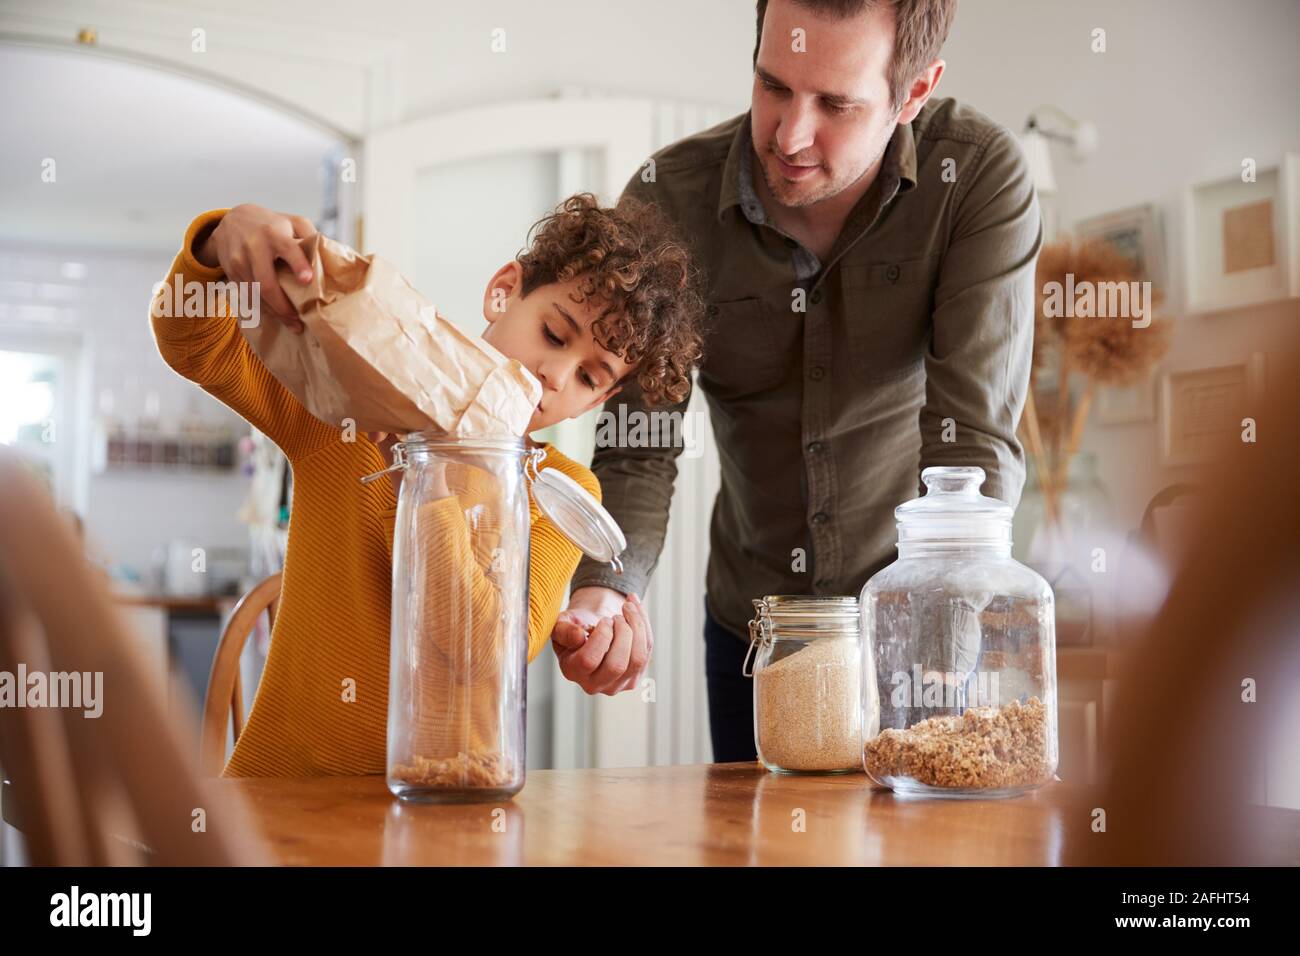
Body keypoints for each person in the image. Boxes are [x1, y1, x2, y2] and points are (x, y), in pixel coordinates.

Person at [553, 0, 1042, 762]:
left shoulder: (974, 179)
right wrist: (609, 588)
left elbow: (970, 446)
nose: (789, 137)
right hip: (753, 624)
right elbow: (640, 440)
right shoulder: (670, 198)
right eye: (773, 85)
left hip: (918, 620)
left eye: (836, 104)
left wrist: (932, 670)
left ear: (914, 93)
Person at [151, 194, 704, 775]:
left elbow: (486, 653)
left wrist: (436, 470)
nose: (552, 377)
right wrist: (220, 241)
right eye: (553, 334)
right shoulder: (350, 410)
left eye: (588, 377)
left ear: (600, 400)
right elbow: (195, 347)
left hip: (445, 803)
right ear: (503, 291)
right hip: (280, 790)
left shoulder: (559, 491)